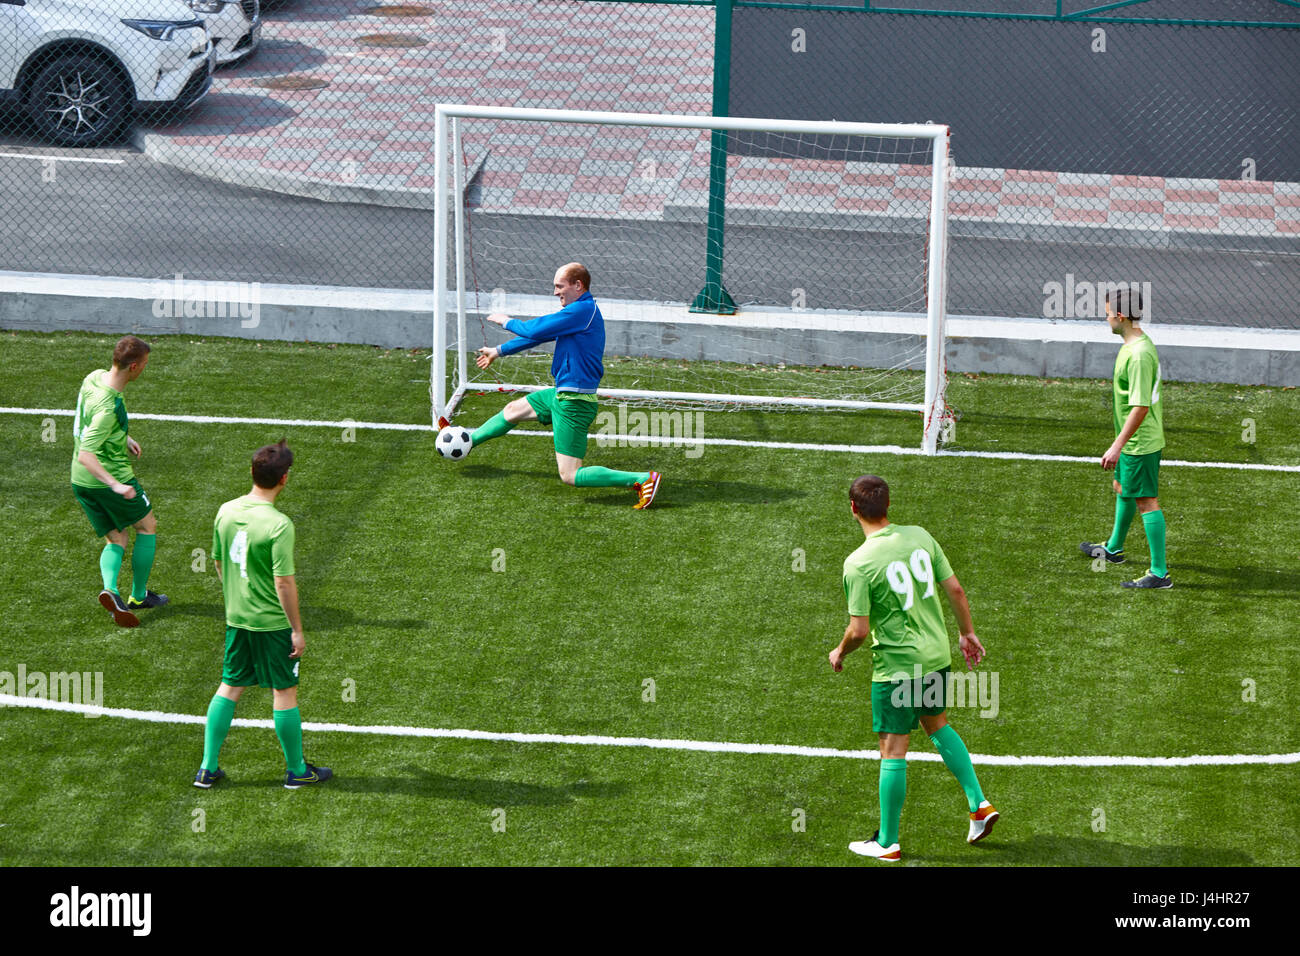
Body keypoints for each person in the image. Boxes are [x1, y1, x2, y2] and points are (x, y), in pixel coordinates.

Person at [829, 475, 997, 862]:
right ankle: (978, 804)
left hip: (898, 667)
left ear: (854, 509)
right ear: (888, 504)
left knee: (893, 750)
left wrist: (839, 652)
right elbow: (955, 590)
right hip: (936, 657)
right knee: (937, 724)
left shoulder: (858, 564)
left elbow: (859, 630)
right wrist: (967, 633)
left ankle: (887, 841)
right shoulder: (920, 535)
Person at [458, 262, 661, 509]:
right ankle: (467, 440)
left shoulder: (581, 312)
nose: (555, 292)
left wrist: (506, 321)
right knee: (513, 410)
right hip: (560, 395)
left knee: (570, 475)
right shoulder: (578, 313)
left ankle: (642, 479)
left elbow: (534, 328)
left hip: (574, 402)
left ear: (578, 285)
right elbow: (541, 335)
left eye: (559, 286)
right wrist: (498, 351)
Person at [195, 440, 332, 790]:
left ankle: (207, 768)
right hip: (271, 624)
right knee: (284, 692)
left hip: (237, 619)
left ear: (253, 473)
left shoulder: (226, 511)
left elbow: (217, 561)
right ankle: (297, 770)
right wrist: (297, 630)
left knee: (230, 685)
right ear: (284, 479)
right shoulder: (279, 524)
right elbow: (284, 583)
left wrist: (235, 597)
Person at [71, 334, 166, 628]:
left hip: (80, 480)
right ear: (134, 366)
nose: (146, 369)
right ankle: (138, 595)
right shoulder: (107, 407)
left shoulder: (94, 378)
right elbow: (88, 453)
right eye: (146, 364)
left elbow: (87, 425)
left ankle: (111, 590)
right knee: (147, 525)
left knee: (117, 537)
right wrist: (116, 485)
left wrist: (123, 436)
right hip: (106, 477)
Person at [1079, 286, 1170, 588]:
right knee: (1121, 487)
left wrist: (1117, 445)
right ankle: (1114, 548)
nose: (1105, 320)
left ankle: (1159, 573)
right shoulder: (1132, 345)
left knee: (1146, 501)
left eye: (1107, 315)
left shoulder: (1140, 355)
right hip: (1132, 440)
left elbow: (1141, 407)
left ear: (1120, 316)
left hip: (1139, 443)